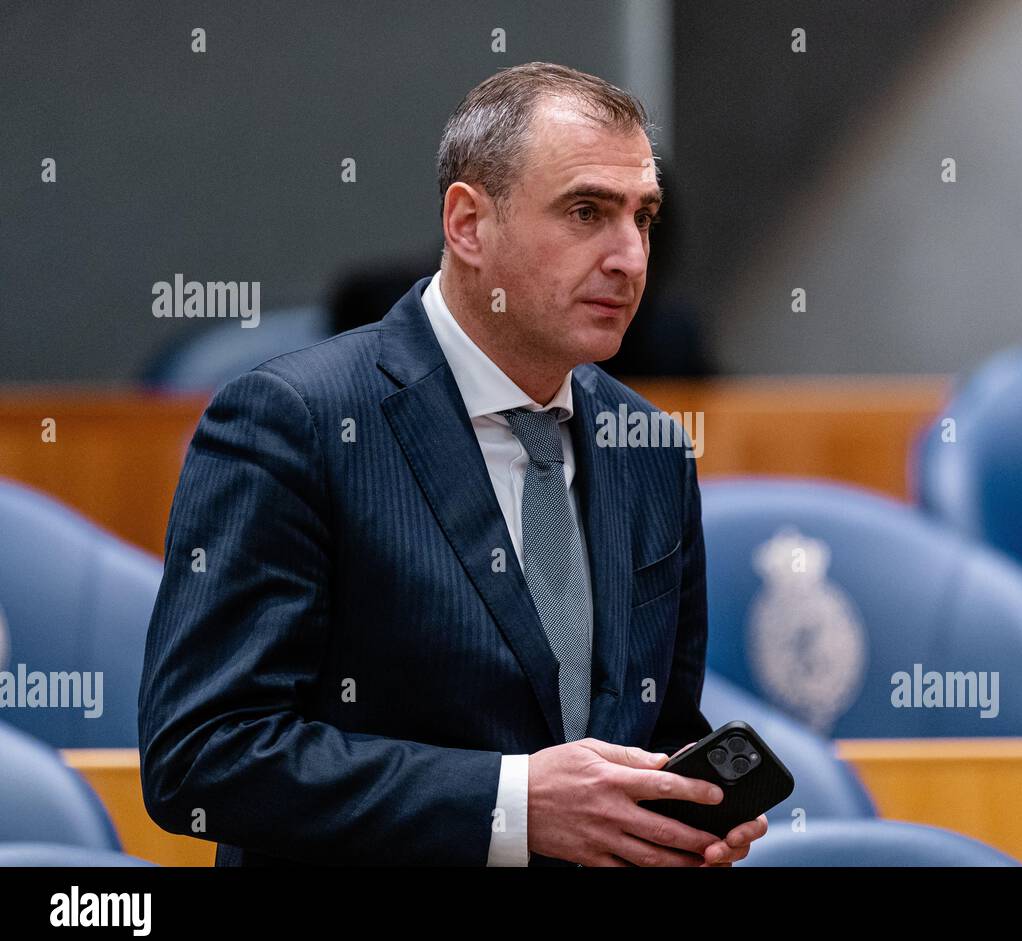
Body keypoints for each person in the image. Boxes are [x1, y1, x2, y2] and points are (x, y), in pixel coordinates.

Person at [138, 61, 768, 867]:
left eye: (642, 218)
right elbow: (202, 756)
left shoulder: (649, 447)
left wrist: (681, 811)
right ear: (468, 224)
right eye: (586, 211)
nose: (630, 258)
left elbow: (653, 729)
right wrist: (510, 807)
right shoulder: (294, 422)